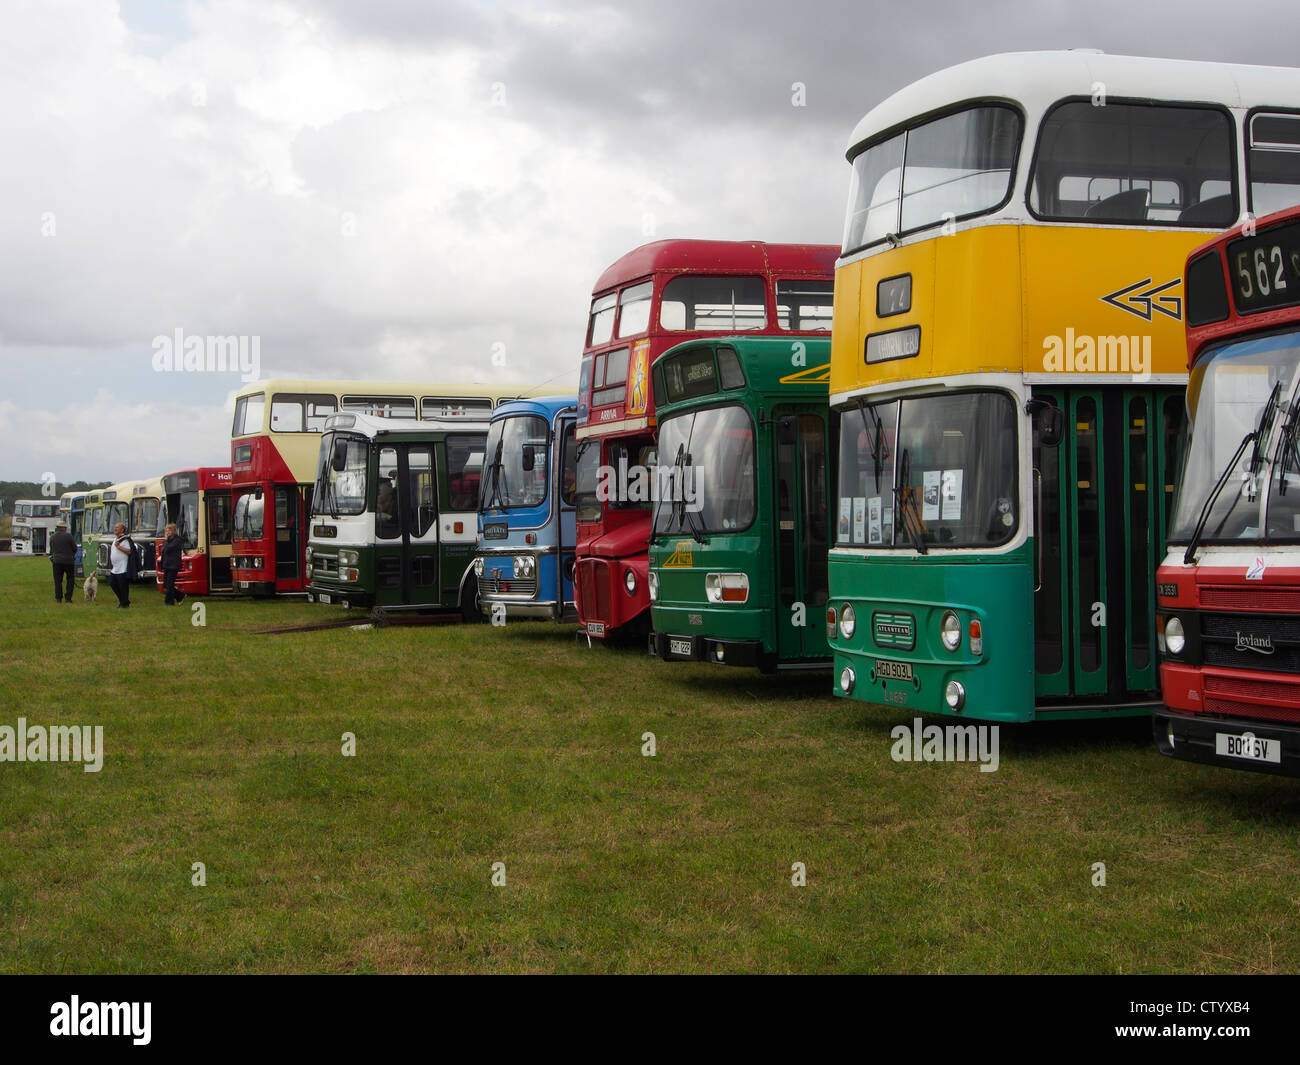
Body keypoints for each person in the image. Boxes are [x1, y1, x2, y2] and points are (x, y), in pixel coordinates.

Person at [49, 521, 77, 603]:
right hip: (69, 561)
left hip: (57, 561)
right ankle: (68, 598)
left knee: (58, 581)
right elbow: (74, 548)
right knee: (70, 580)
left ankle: (58, 598)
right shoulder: (69, 536)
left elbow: (51, 550)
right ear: (63, 528)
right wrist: (71, 555)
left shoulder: (52, 537)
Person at [158, 522, 186, 605]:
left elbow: (168, 549)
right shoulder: (166, 541)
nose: (167, 533)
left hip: (173, 565)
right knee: (166, 585)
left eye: (169, 531)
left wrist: (166, 541)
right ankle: (180, 595)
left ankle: (169, 602)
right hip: (166, 564)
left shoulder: (177, 540)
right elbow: (163, 551)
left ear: (174, 531)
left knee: (170, 584)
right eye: (166, 531)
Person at [109, 522, 133, 608]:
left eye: (117, 527)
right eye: (115, 527)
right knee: (112, 583)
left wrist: (119, 547)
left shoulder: (125, 539)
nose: (115, 529)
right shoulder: (115, 539)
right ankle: (124, 601)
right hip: (115, 568)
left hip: (123, 568)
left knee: (123, 587)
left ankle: (124, 603)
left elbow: (129, 551)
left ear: (122, 530)